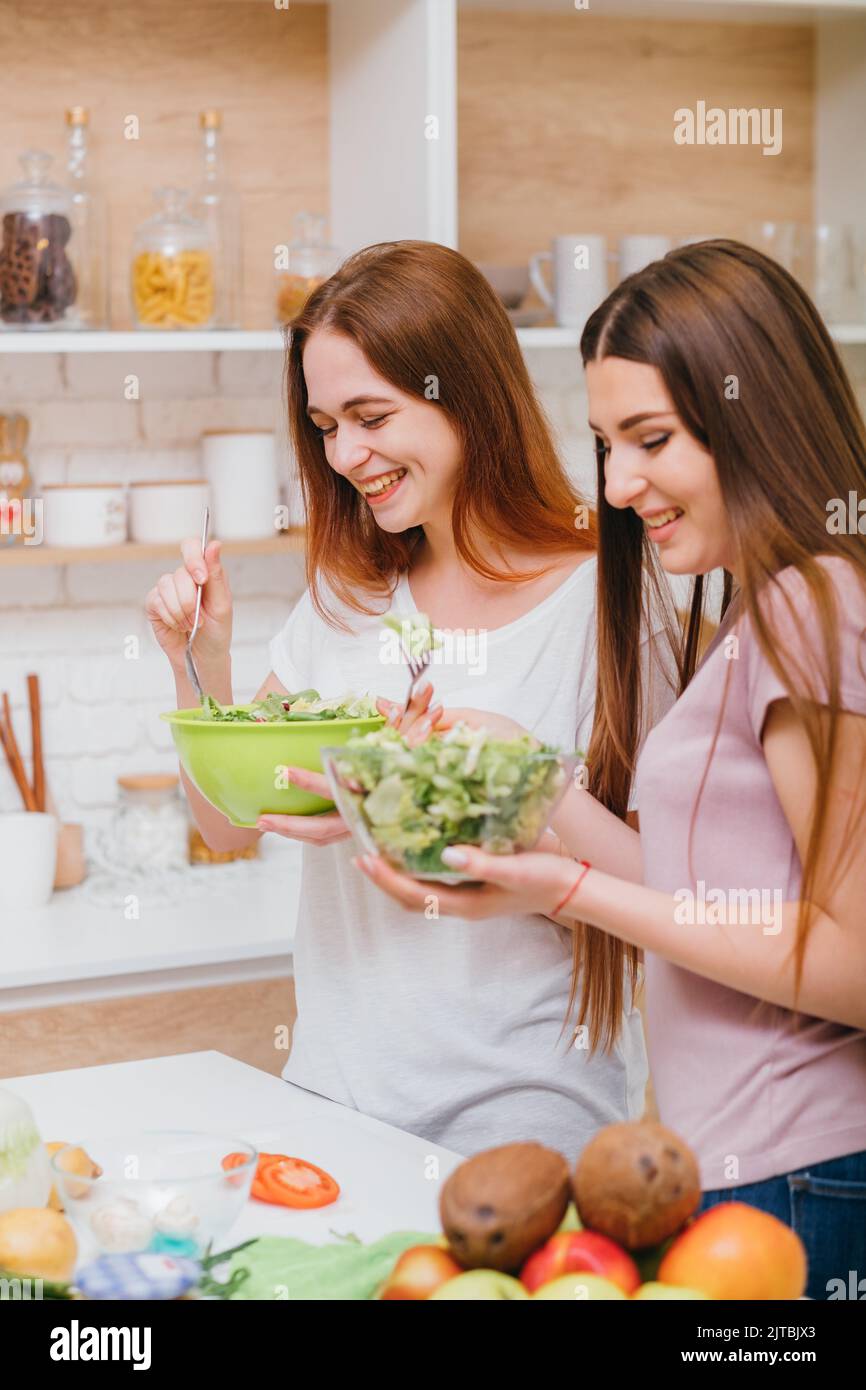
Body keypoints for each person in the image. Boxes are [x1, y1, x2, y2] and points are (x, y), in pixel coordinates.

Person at [356, 240, 866, 1297]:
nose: (618, 484)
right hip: (748, 1168)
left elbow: (854, 961)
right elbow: (701, 893)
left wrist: (568, 891)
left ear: (756, 412)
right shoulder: (762, 607)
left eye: (651, 439)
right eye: (603, 444)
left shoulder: (811, 610)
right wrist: (532, 776)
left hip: (802, 1173)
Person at [145, 241, 675, 1158]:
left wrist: (448, 800)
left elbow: (664, 905)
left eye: (371, 415)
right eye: (324, 425)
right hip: (330, 1101)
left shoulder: (608, 606)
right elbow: (228, 826)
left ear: (464, 393)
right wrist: (204, 661)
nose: (345, 454)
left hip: (522, 1120)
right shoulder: (347, 596)